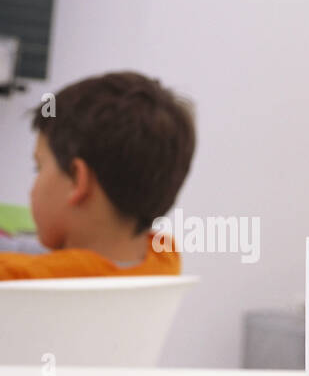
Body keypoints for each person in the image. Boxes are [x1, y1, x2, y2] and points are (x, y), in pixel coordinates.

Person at [0, 70, 195, 279]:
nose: (34, 186)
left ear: (77, 180)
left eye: (38, 168)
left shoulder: (18, 277)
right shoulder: (162, 260)